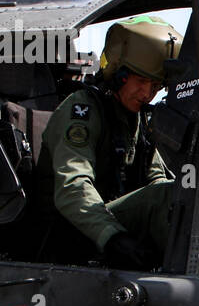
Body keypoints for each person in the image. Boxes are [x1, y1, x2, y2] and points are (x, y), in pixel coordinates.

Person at [37, 15, 182, 270]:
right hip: (72, 232)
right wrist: (113, 237)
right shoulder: (82, 110)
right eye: (141, 81)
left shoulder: (137, 119)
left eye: (156, 85)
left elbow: (155, 177)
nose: (148, 93)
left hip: (106, 226)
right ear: (119, 74)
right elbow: (73, 187)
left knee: (179, 195)